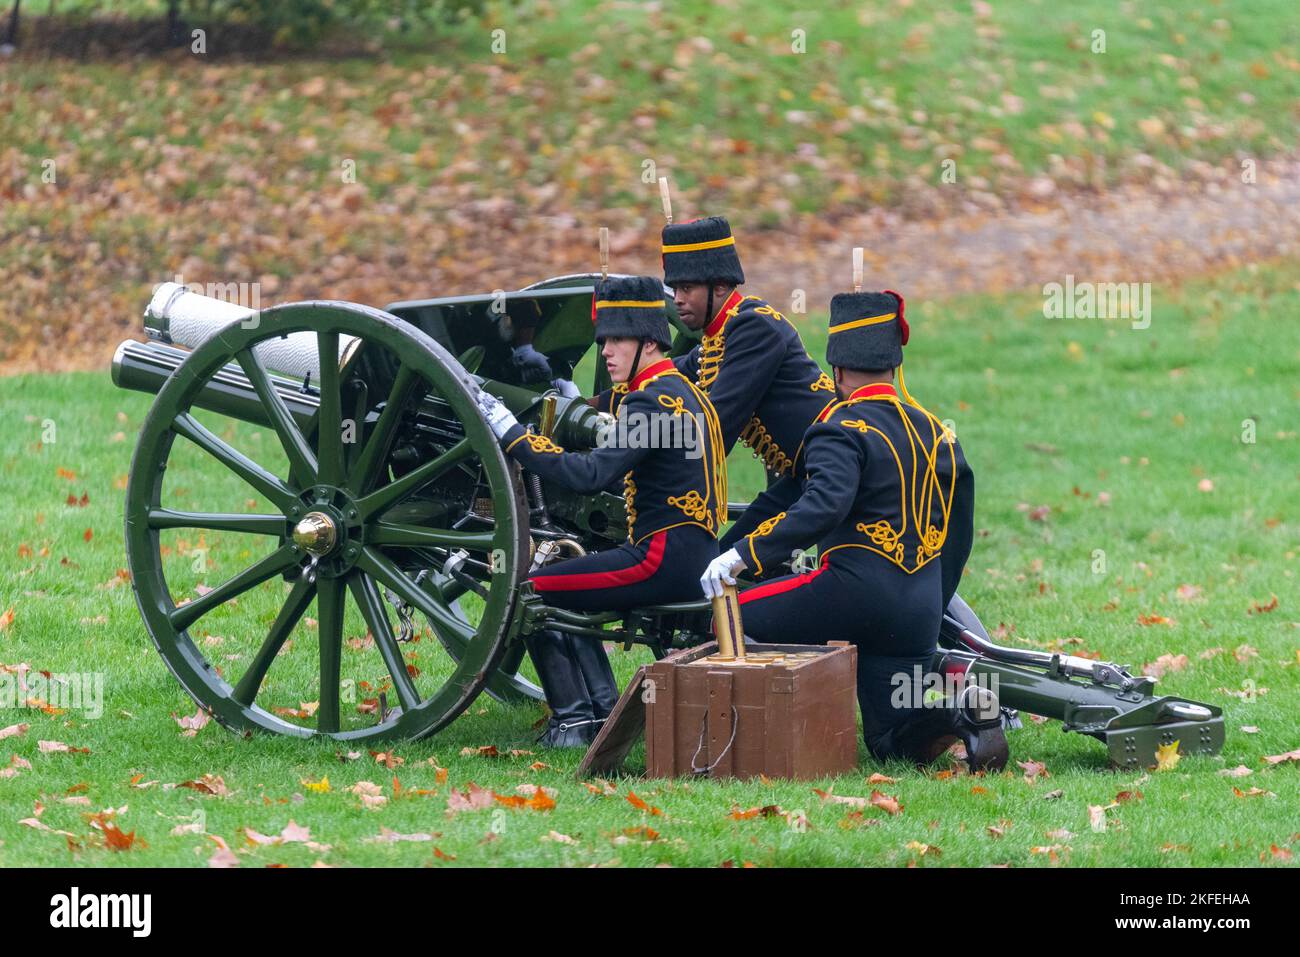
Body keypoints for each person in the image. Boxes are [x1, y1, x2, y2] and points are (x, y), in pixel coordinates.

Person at [699, 289, 1008, 772]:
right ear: (892, 366)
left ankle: (756, 739)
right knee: (889, 738)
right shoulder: (937, 431)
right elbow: (959, 533)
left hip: (851, 595)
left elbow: (821, 505)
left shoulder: (838, 426)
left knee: (723, 616)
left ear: (837, 372)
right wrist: (931, 595)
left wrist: (740, 556)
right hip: (918, 612)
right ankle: (960, 712)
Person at [476, 275, 726, 746]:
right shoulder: (686, 393)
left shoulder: (650, 401)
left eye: (616, 340)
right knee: (568, 583)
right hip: (688, 555)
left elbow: (591, 475)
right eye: (603, 341)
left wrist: (513, 435)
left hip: (660, 561)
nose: (606, 351)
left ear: (649, 342)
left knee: (532, 591)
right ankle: (603, 714)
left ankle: (572, 723)